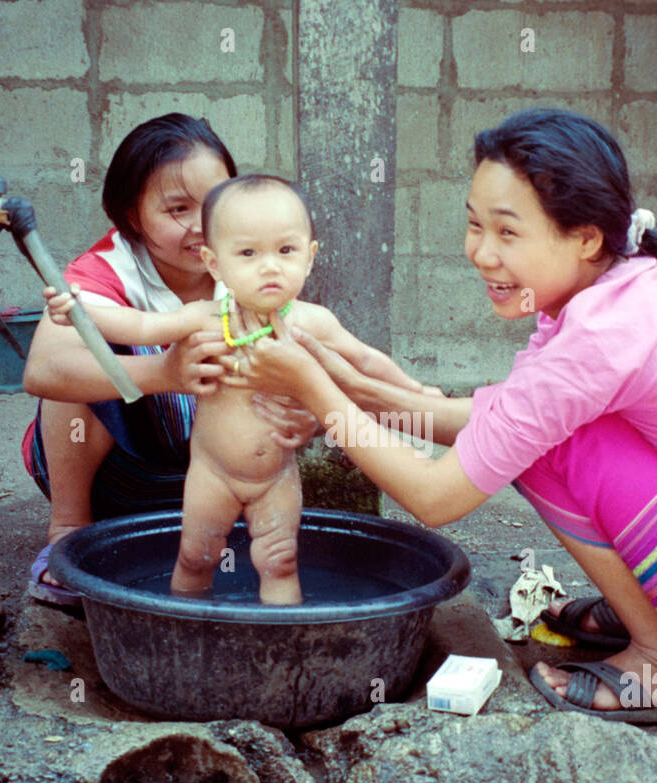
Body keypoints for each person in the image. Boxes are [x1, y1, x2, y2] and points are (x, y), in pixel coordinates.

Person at [227, 107, 657, 720]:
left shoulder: (600, 338)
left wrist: (319, 392)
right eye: (474, 223)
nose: (479, 252)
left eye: (507, 232)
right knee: (549, 436)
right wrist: (356, 389)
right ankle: (656, 612)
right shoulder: (627, 284)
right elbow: (498, 418)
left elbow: (436, 496)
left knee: (557, 446)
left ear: (585, 238)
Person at [42, 174, 428, 603]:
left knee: (279, 561)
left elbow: (366, 361)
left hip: (276, 477)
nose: (269, 266)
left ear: (310, 256)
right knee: (195, 558)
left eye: (286, 250)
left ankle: (282, 645)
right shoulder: (207, 317)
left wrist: (417, 391)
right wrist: (78, 310)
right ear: (214, 263)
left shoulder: (311, 322)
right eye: (247, 253)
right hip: (212, 475)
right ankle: (182, 633)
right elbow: (141, 324)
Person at [21, 114, 319, 607]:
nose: (202, 225)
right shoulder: (105, 270)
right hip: (121, 474)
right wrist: (165, 372)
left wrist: (307, 411)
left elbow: (312, 355)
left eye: (215, 200)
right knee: (82, 361)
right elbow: (42, 370)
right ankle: (68, 532)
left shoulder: (251, 262)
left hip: (212, 473)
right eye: (178, 208)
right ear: (132, 216)